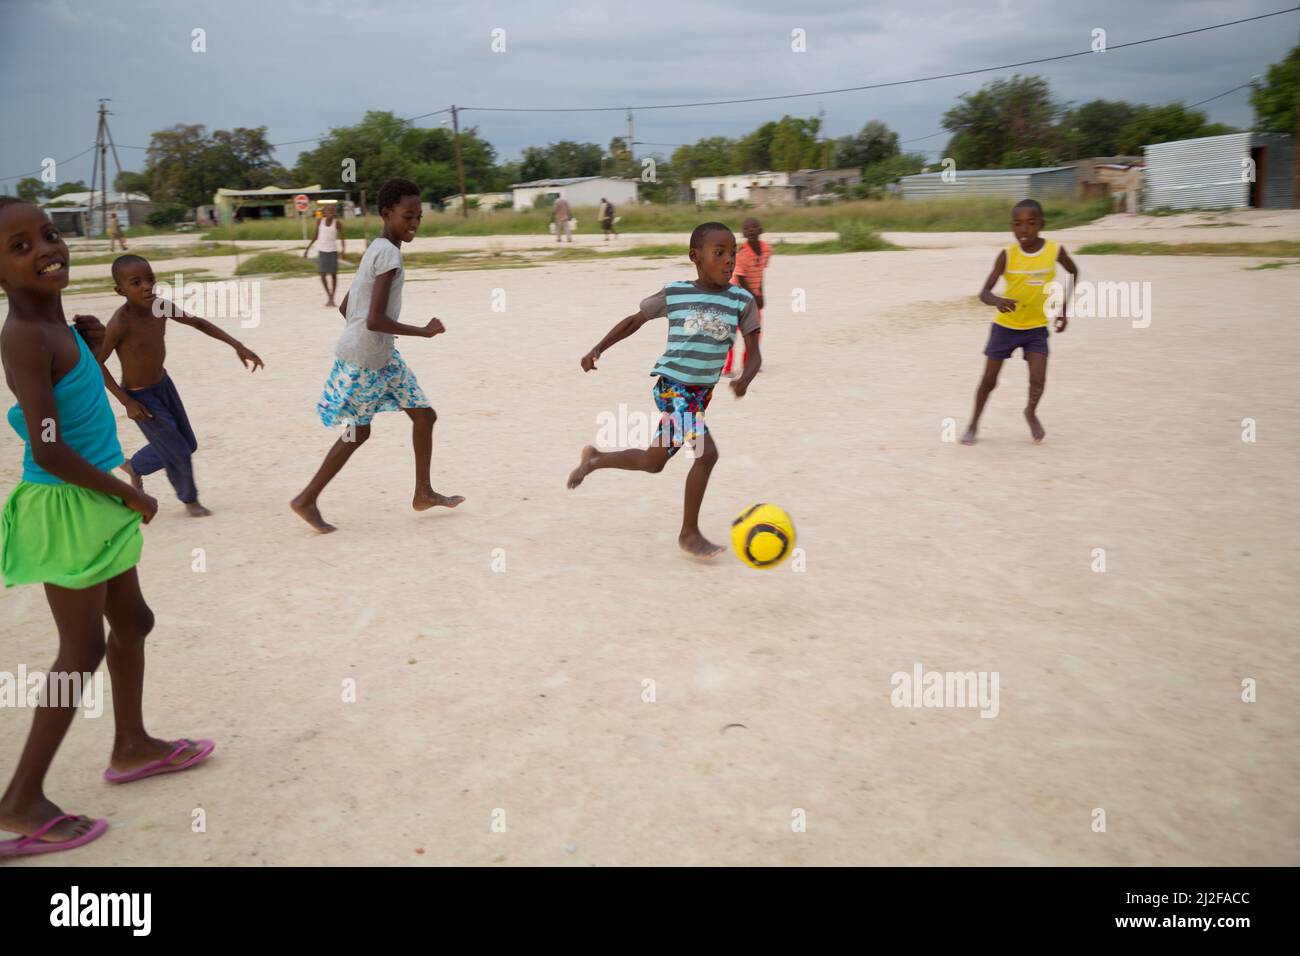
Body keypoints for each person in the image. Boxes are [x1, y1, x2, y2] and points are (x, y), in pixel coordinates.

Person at [0, 198, 213, 859]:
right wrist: (134, 496)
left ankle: (131, 746)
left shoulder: (57, 325)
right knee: (80, 649)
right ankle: (20, 802)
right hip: (69, 504)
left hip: (93, 502)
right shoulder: (24, 336)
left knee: (135, 622)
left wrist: (90, 352)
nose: (44, 249)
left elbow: (78, 399)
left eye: (48, 234)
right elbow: (48, 448)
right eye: (19, 246)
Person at [566, 222, 761, 557]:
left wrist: (746, 378)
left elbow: (755, 351)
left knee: (652, 461)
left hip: (700, 395)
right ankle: (689, 533)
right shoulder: (676, 293)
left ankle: (595, 459)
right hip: (673, 387)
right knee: (707, 453)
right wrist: (598, 348)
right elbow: (634, 321)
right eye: (719, 253)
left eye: (733, 253)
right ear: (695, 257)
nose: (729, 260)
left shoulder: (742, 301)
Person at [291, 178, 464, 533]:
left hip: (379, 354)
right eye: (407, 216)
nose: (414, 223)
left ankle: (423, 492)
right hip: (367, 358)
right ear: (387, 213)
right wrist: (425, 331)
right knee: (359, 431)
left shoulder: (376, 247)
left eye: (418, 216)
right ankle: (307, 499)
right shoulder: (388, 254)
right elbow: (375, 319)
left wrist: (366, 334)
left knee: (425, 417)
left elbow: (346, 306)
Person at [97, 254, 264, 517]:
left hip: (164, 386)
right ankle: (190, 500)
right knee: (178, 451)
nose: (146, 286)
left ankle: (135, 466)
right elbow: (97, 363)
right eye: (136, 282)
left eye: (150, 279)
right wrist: (126, 401)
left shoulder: (160, 307)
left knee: (187, 444)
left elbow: (196, 321)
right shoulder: (121, 322)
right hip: (139, 396)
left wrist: (237, 345)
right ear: (121, 291)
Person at [961, 199, 1079, 445]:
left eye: (1030, 223)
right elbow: (984, 292)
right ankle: (973, 423)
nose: (1023, 230)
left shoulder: (1054, 251)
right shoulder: (1007, 255)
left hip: (1036, 328)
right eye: (1018, 224)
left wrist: (1064, 310)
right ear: (1012, 227)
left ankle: (1031, 412)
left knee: (1038, 379)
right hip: (1005, 327)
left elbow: (1073, 272)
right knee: (988, 381)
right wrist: (996, 301)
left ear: (1041, 224)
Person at [722, 217, 771, 377]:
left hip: (754, 296)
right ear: (743, 233)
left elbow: (760, 271)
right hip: (736, 298)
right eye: (747, 228)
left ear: (760, 230)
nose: (750, 230)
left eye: (754, 227)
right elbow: (741, 279)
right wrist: (753, 297)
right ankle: (726, 369)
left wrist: (761, 293)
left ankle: (749, 363)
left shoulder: (766, 249)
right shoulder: (742, 253)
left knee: (754, 333)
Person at [303, 202, 346, 307]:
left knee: (333, 275)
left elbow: (342, 238)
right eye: (328, 211)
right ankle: (329, 296)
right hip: (322, 251)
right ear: (324, 213)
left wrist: (343, 250)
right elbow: (315, 236)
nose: (330, 212)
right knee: (322, 274)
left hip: (332, 251)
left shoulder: (337, 223)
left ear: (334, 213)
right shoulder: (319, 222)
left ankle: (332, 298)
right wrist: (307, 249)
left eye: (332, 211)